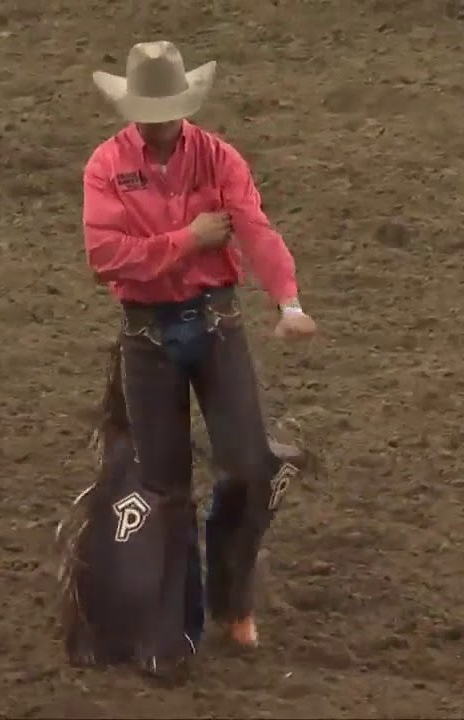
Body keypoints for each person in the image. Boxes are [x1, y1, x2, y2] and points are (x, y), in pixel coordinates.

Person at [57, 40, 317, 679]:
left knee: (250, 467)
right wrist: (189, 240)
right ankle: (175, 630)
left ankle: (230, 600)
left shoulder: (217, 158)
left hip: (213, 326)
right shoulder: (105, 166)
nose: (156, 121)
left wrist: (288, 302)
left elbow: (255, 228)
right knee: (166, 491)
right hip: (149, 339)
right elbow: (106, 258)